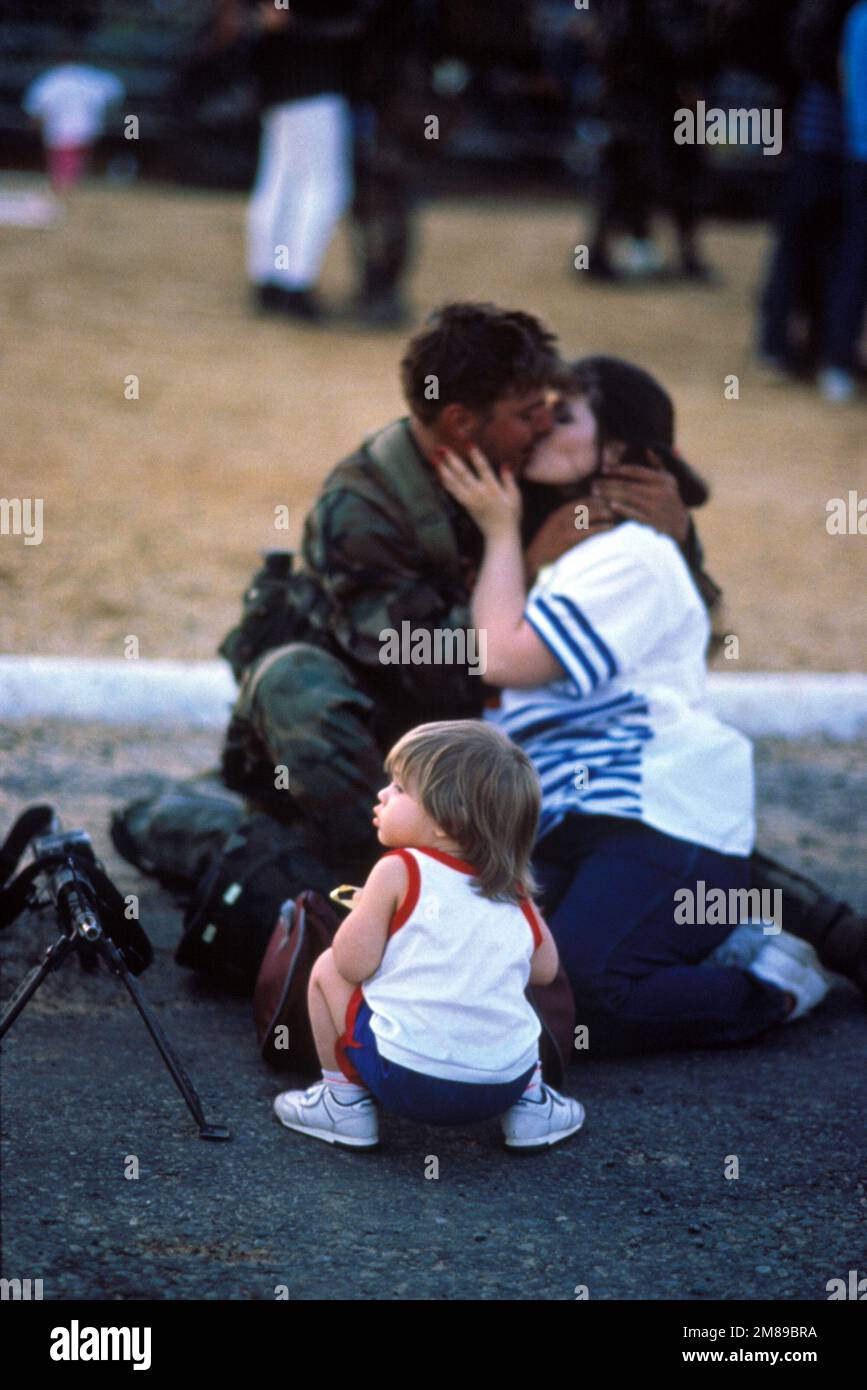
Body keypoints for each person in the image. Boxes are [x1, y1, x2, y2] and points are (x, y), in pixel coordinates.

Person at [111, 306, 867, 1004]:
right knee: (294, 688)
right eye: (527, 413)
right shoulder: (366, 504)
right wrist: (528, 560)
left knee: (648, 821)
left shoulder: (523, 464)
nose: (543, 425)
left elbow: (665, 613)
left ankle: (820, 932)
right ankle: (384, 897)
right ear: (461, 423)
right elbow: (439, 663)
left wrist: (676, 535)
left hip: (489, 738)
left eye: (552, 408)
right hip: (371, 730)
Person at [435, 362, 836, 1055]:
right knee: (494, 975)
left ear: (616, 451)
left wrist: (499, 532)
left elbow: (500, 658)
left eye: (563, 418)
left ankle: (772, 979)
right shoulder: (576, 548)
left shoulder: (632, 553)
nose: (539, 427)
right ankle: (703, 938)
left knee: (586, 995)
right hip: (565, 817)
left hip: (653, 819)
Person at [272, 720, 585, 1150]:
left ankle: (342, 1105)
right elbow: (544, 971)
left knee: (326, 968)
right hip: (502, 1085)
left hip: (406, 1082)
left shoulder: (398, 869)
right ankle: (531, 1109)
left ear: (447, 821)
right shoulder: (512, 887)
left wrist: (369, 911)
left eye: (399, 788)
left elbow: (351, 964)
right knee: (509, 975)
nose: (382, 794)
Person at [22, 43, 124, 194]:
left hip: (59, 129)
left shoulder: (51, 79)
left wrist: (35, 124)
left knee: (64, 162)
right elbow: (115, 92)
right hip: (87, 128)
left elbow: (36, 105)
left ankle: (66, 188)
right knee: (77, 161)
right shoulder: (92, 77)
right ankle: (71, 187)